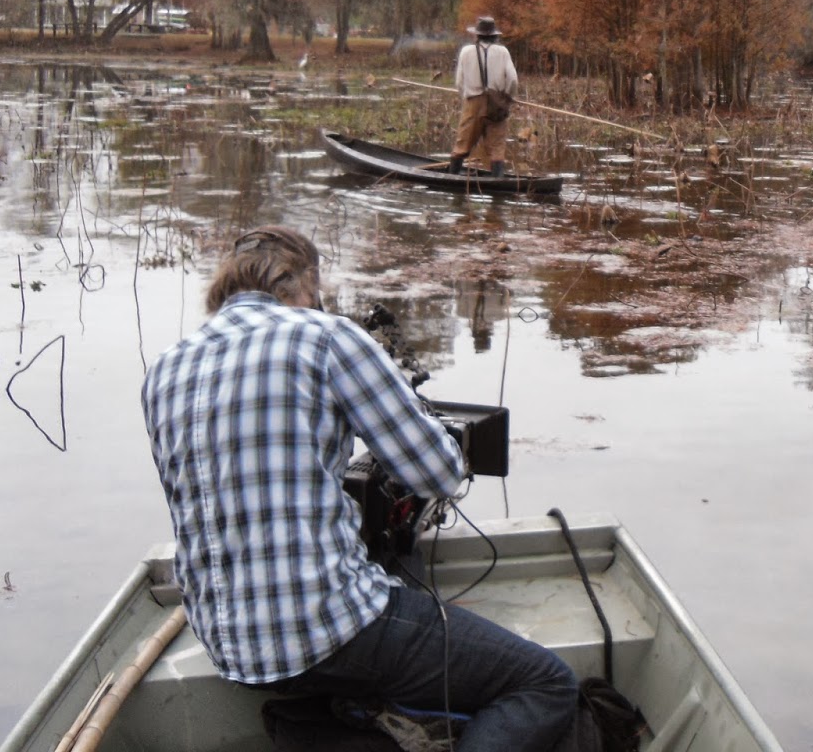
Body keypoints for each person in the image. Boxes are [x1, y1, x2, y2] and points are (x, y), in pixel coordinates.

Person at [140, 226, 577, 752]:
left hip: (227, 645)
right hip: (319, 629)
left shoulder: (163, 369)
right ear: (306, 280)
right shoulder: (325, 337)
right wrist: (430, 429)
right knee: (544, 683)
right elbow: (437, 473)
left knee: (391, 585)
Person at [448, 16, 519, 177]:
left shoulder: (466, 51)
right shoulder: (503, 52)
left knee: (462, 144)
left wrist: (466, 97)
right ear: (494, 35)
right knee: (497, 148)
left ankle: (451, 178)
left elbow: (459, 82)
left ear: (477, 34)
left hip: (473, 102)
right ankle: (497, 184)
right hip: (497, 103)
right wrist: (507, 98)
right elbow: (513, 80)